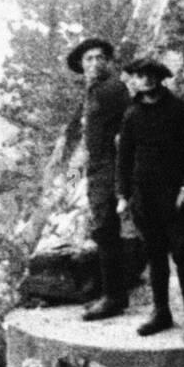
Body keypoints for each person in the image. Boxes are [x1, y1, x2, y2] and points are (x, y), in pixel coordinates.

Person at [116, 57, 184, 343]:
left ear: (160, 78)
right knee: (155, 256)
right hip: (145, 197)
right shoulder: (132, 114)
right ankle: (161, 313)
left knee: (182, 254)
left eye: (150, 75)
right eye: (139, 76)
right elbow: (124, 157)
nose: (145, 80)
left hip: (176, 196)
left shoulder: (182, 110)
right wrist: (123, 195)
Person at [68, 36, 133, 321]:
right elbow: (87, 139)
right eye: (88, 59)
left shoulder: (112, 89)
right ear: (82, 66)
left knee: (106, 230)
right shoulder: (93, 91)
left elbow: (128, 131)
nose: (94, 63)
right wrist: (74, 180)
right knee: (103, 229)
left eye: (99, 58)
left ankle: (114, 298)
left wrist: (123, 181)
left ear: (107, 62)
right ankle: (109, 293)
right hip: (97, 169)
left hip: (112, 167)